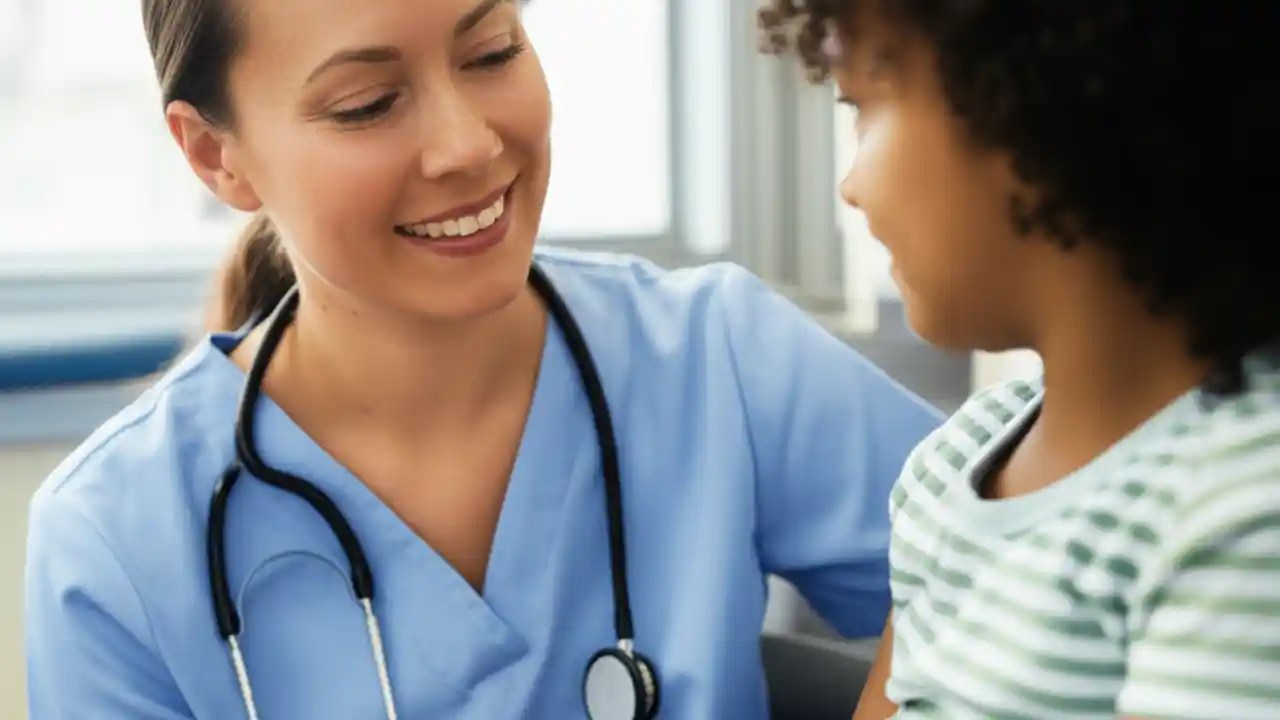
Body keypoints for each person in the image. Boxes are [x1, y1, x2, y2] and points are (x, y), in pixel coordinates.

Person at [22, 0, 942, 717]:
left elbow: (1028, 551)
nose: (468, 144)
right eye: (366, 105)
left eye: (492, 52)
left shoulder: (714, 358)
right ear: (216, 154)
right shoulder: (111, 539)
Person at [760, 1, 1280, 718]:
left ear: (1025, 110)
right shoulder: (954, 462)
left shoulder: (1242, 509)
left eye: (866, 108)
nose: (850, 186)